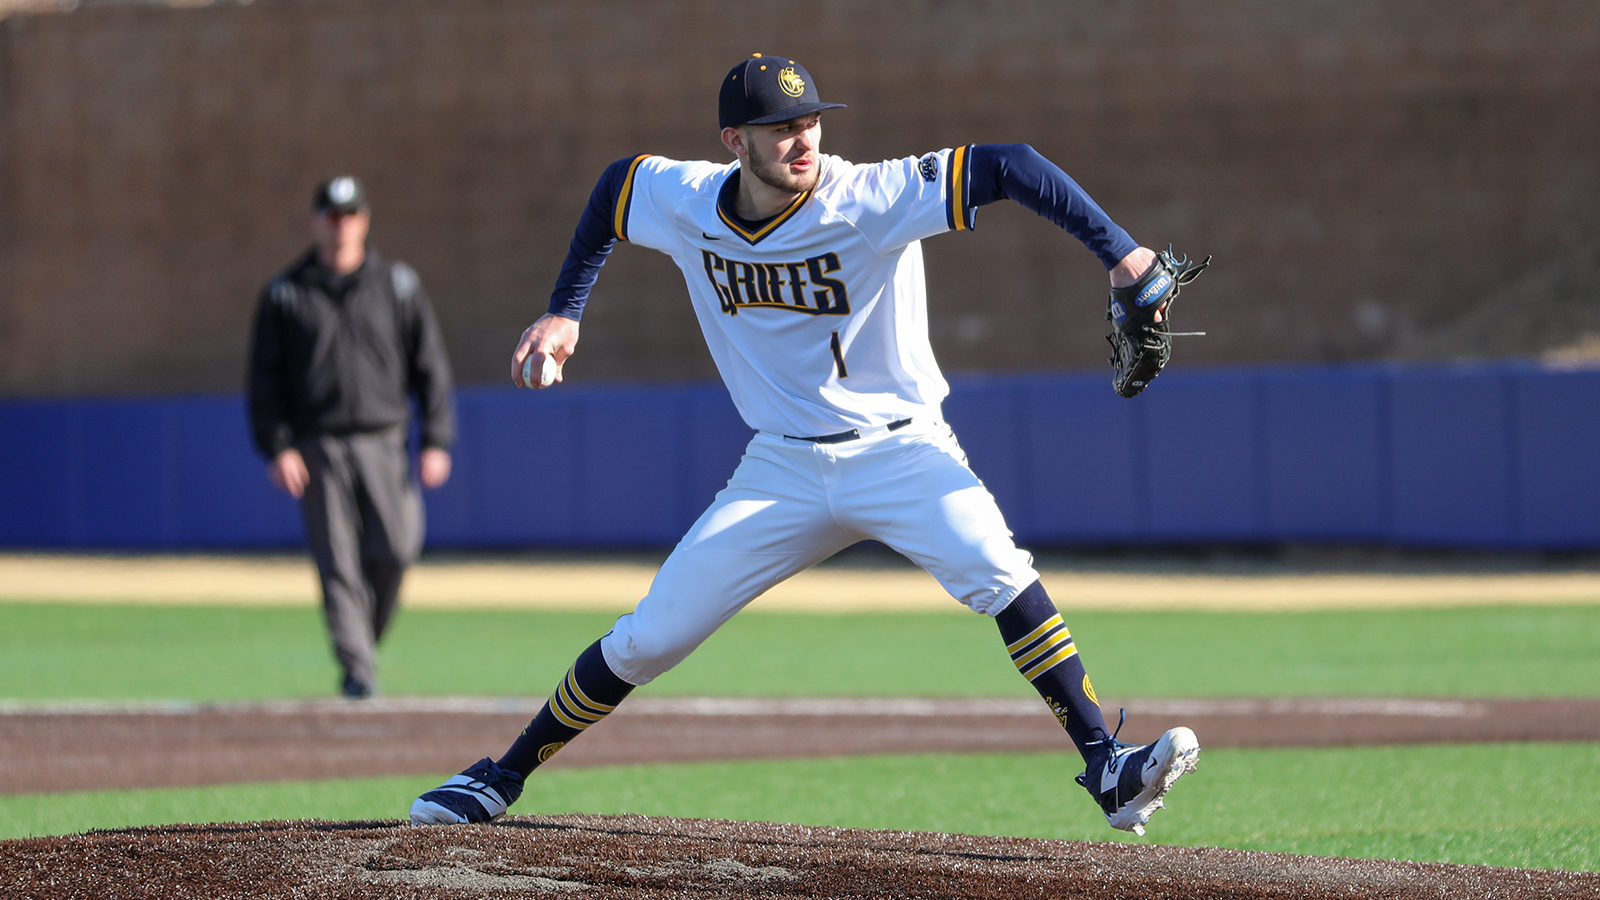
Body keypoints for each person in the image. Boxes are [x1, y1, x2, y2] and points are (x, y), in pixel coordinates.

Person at [411, 55, 1198, 833]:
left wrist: (1125, 257)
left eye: (811, 122)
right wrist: (565, 308)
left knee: (999, 571)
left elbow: (1014, 166)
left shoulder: (869, 196)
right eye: (780, 128)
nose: (802, 140)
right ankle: (500, 776)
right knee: (650, 636)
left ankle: (1107, 765)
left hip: (902, 450)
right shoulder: (685, 200)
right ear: (733, 140)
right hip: (781, 466)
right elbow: (616, 188)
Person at [247, 176, 456, 700]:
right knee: (337, 560)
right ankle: (358, 672)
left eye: (350, 215)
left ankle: (360, 642)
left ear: (364, 220)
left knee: (398, 546)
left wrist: (437, 438)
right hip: (319, 445)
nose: (341, 226)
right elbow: (263, 380)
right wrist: (277, 445)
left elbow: (429, 366)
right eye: (331, 215)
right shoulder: (286, 292)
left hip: (384, 439)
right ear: (316, 221)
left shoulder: (397, 284)